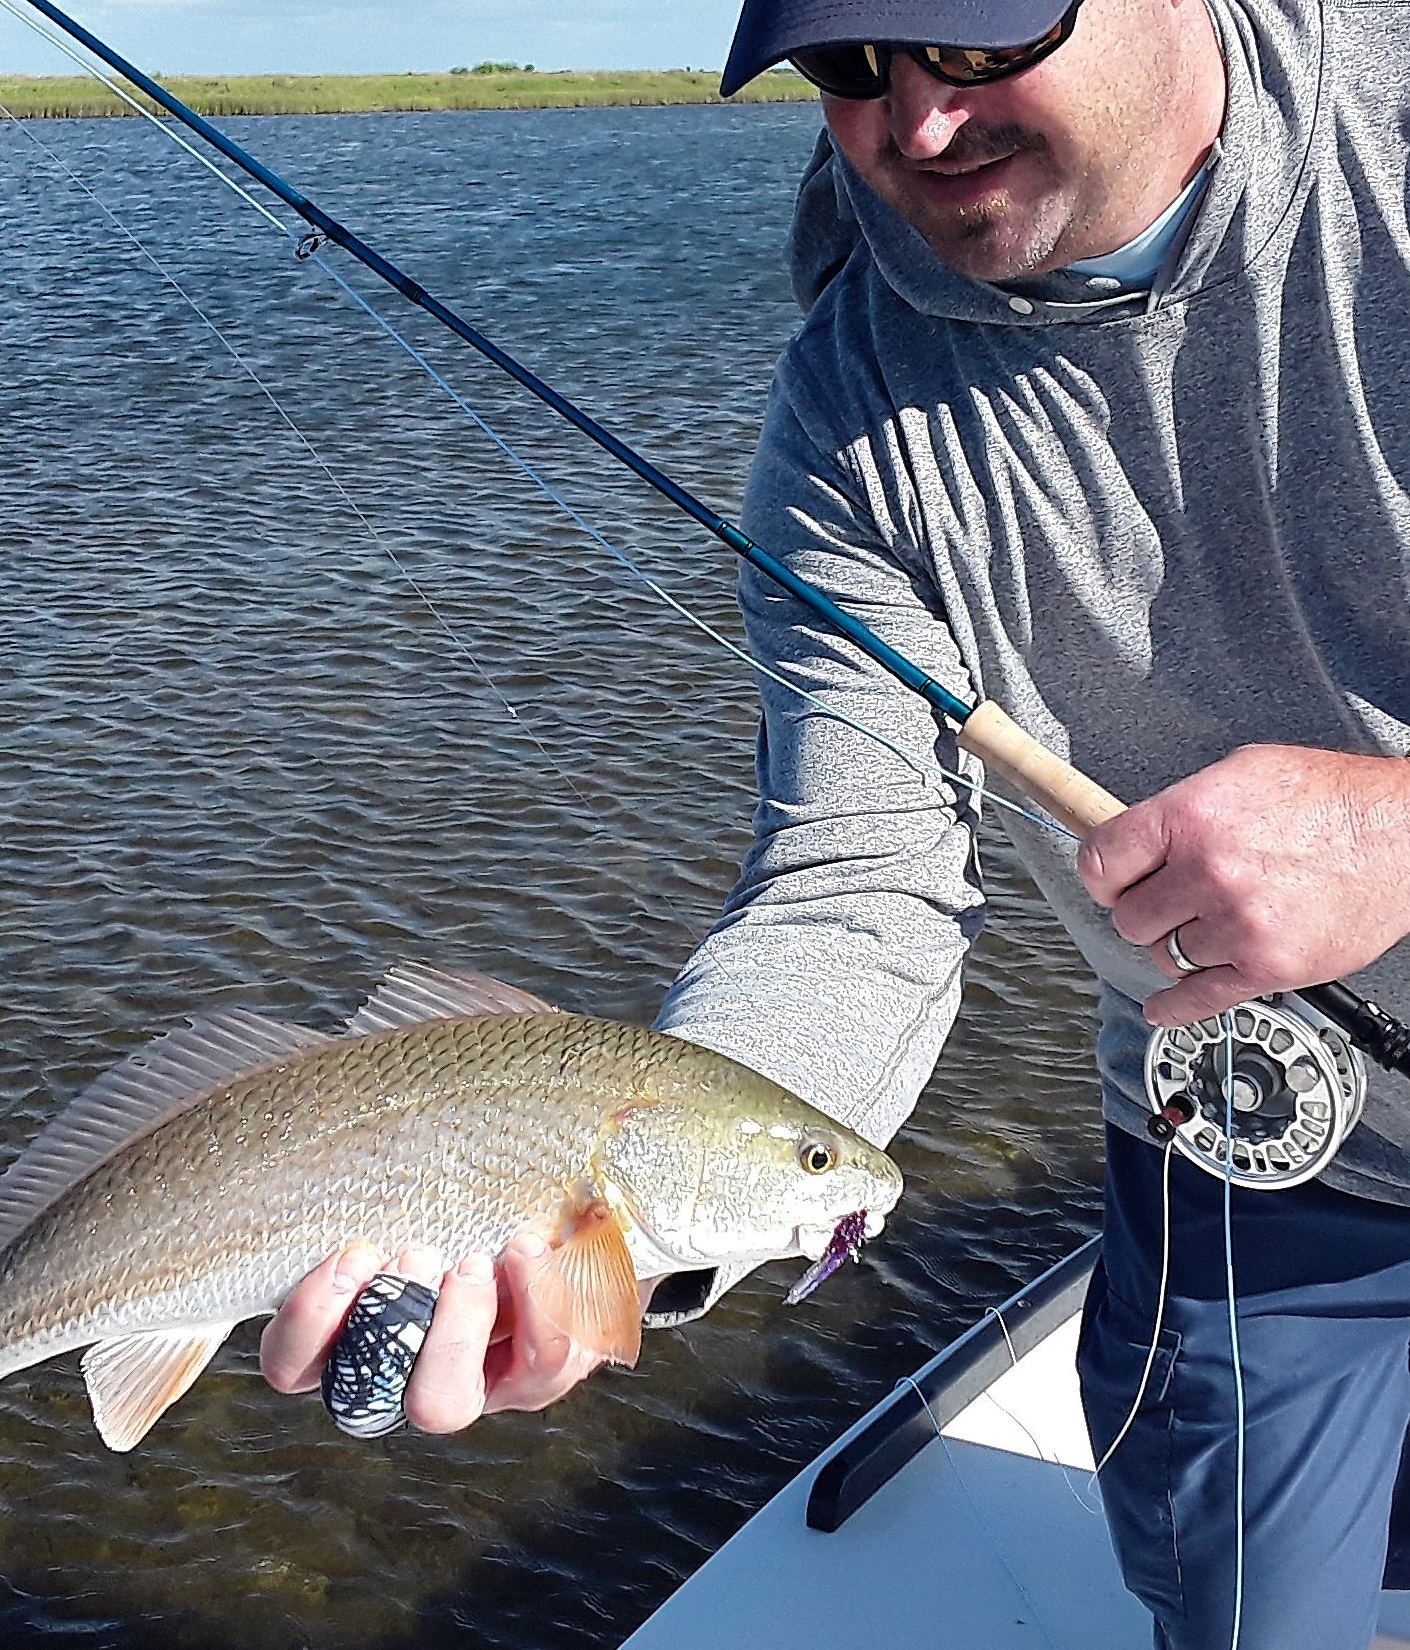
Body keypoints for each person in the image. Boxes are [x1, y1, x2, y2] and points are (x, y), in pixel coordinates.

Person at [263, 0, 1410, 1642]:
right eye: (848, 68)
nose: (918, 124)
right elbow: (856, 883)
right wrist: (624, 1228)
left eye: (975, 37)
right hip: (1252, 1153)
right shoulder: (846, 422)